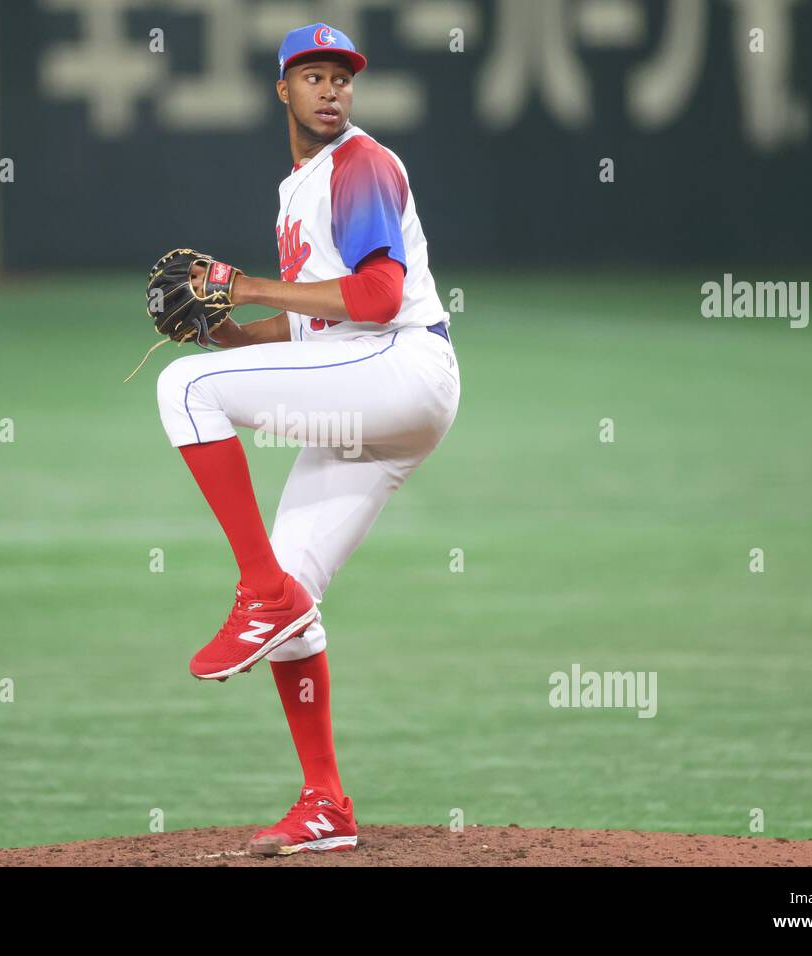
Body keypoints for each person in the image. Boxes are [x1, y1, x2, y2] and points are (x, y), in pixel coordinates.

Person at [154, 22, 461, 856]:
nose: (331, 90)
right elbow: (307, 338)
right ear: (281, 90)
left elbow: (372, 297)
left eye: (342, 77)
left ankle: (260, 592)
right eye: (312, 75)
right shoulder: (296, 189)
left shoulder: (360, 162)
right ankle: (325, 804)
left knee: (179, 392)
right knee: (297, 599)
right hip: (362, 395)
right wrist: (225, 337)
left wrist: (247, 285)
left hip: (401, 366)